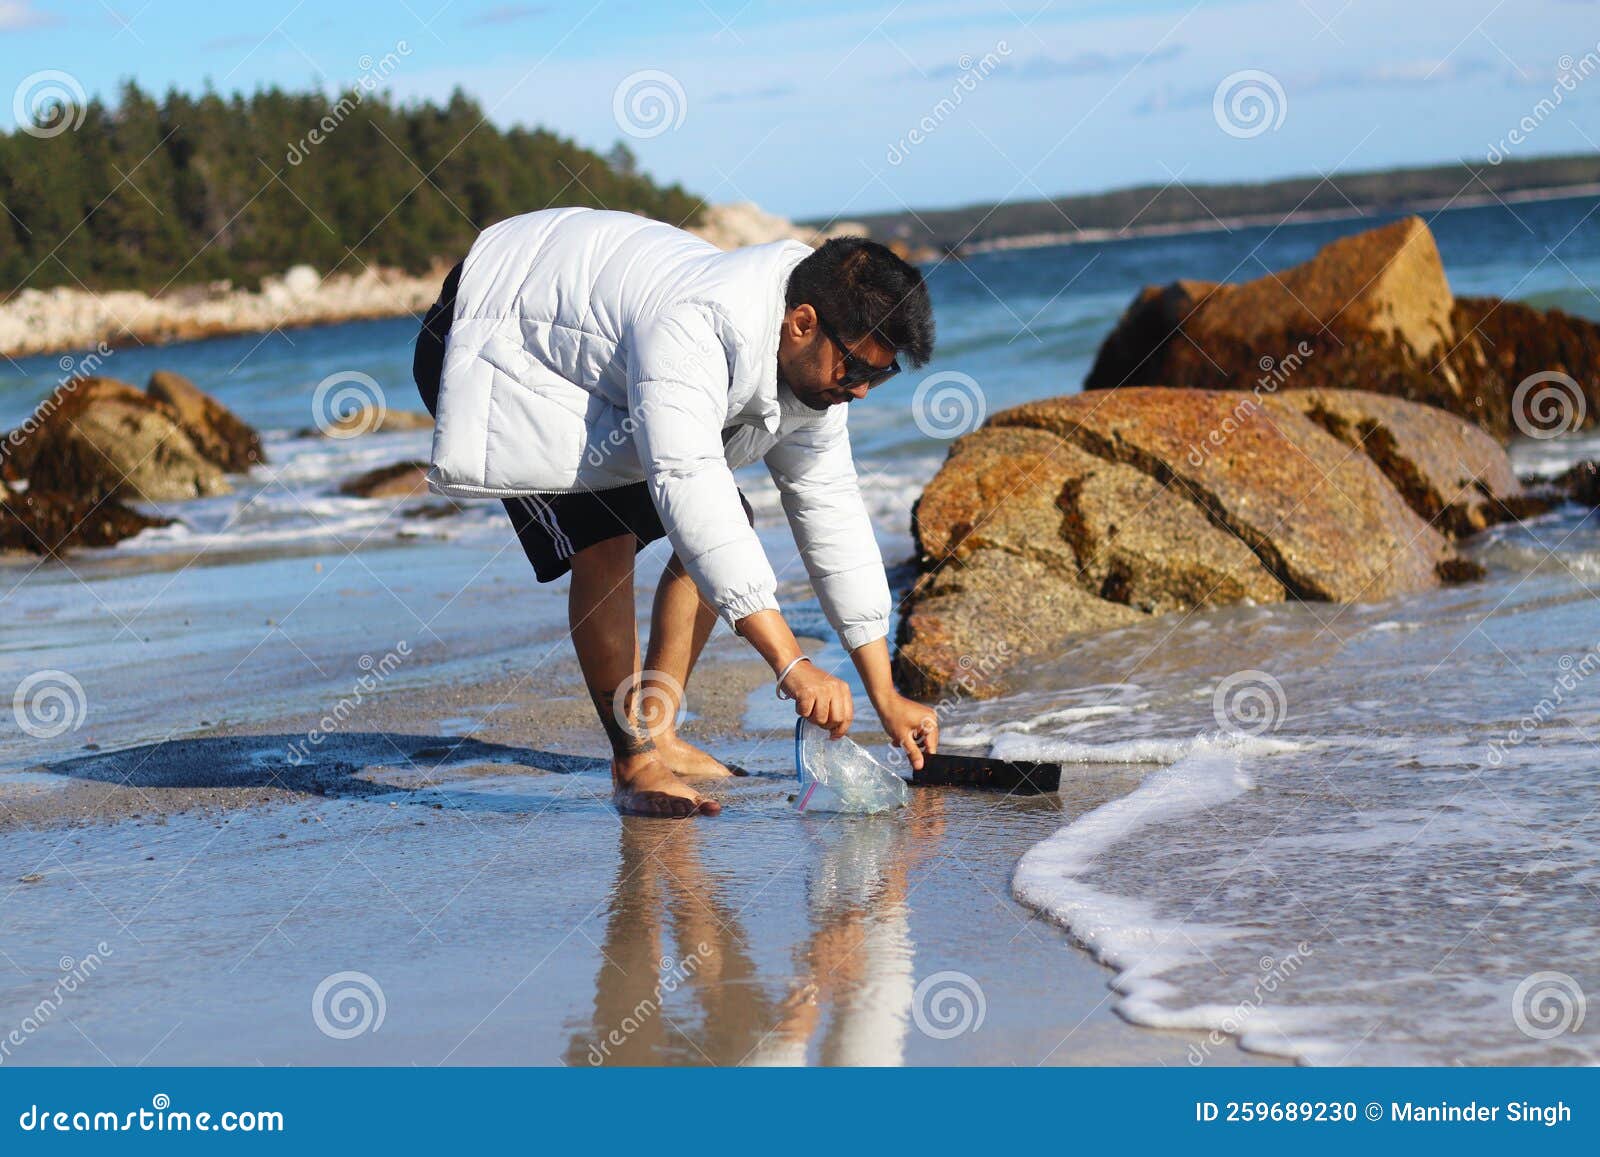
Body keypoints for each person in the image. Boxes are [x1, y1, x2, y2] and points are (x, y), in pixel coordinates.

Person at [414, 207, 939, 818]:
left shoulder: (818, 366)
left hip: (600, 355)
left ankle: (658, 729)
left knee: (729, 523)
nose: (862, 390)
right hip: (496, 338)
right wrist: (792, 664)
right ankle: (634, 762)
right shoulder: (695, 328)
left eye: (883, 373)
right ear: (802, 323)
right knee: (605, 540)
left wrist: (885, 693)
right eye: (858, 368)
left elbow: (831, 512)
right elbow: (689, 485)